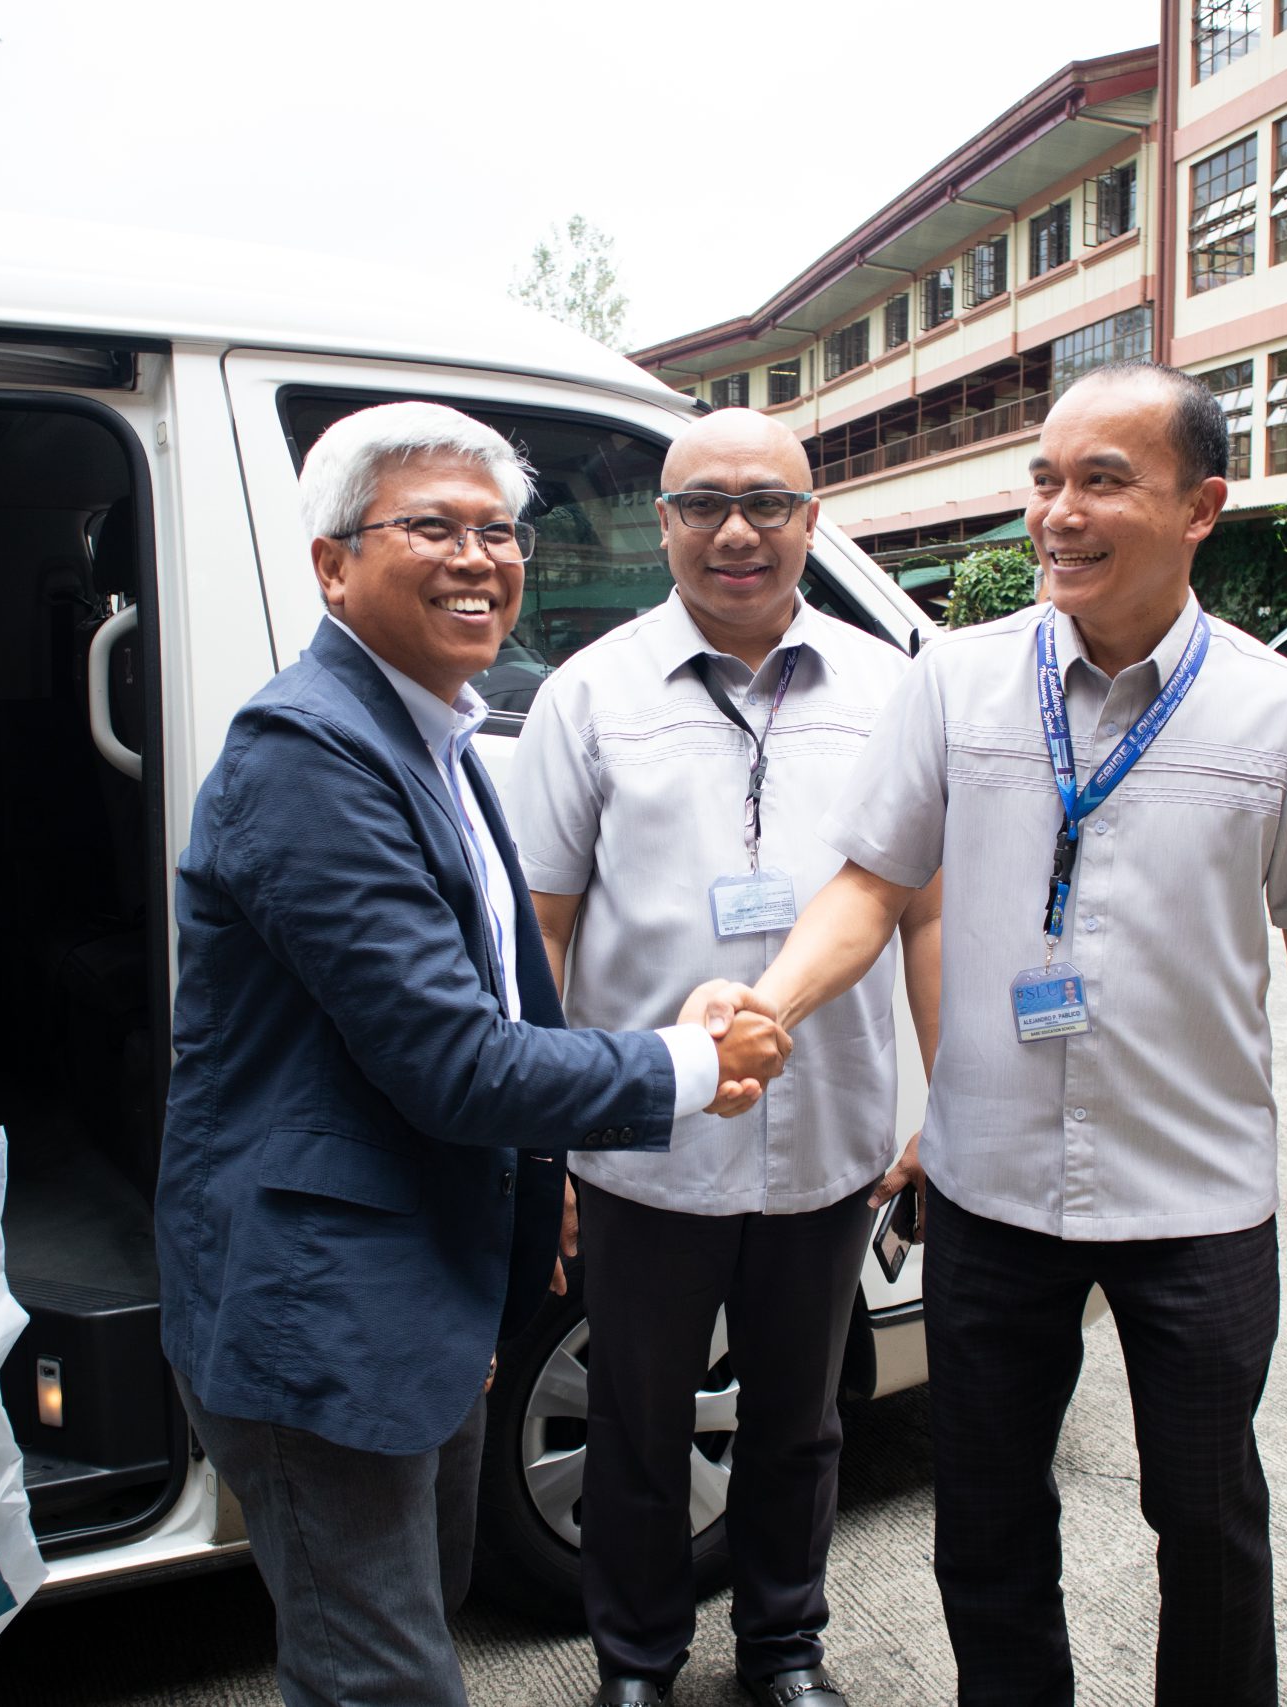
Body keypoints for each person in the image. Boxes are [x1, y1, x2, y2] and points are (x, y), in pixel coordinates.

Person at [749, 363, 1287, 1707]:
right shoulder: (956, 682)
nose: (1060, 512)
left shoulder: (1276, 713)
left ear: (1202, 504)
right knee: (985, 1517)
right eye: (1046, 479)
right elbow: (871, 883)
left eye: (1105, 480)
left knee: (1210, 1520)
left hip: (1196, 1196)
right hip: (990, 1187)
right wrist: (772, 1007)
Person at [154, 400, 794, 1707]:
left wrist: (539, 1184)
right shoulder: (310, 751)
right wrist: (683, 1062)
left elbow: (513, 979)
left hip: (417, 1282)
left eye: (497, 531)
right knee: (384, 1675)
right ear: (332, 563)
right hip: (321, 1305)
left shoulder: (430, 729)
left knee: (408, 1626)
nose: (476, 558)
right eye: (430, 527)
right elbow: (455, 1059)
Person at [508, 410, 939, 1707]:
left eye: (766, 501)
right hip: (644, 1145)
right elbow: (541, 930)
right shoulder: (591, 693)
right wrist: (551, 1148)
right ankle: (637, 1659)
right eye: (702, 504)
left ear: (813, 518)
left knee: (803, 1422)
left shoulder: (891, 690)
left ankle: (782, 1648)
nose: (735, 529)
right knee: (639, 1426)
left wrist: (947, 1104)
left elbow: (922, 911)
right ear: (663, 524)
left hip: (830, 1136)